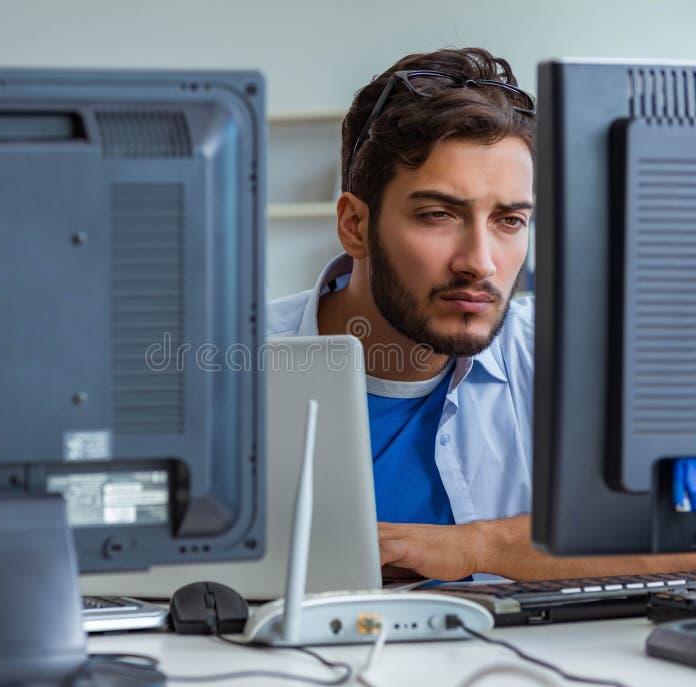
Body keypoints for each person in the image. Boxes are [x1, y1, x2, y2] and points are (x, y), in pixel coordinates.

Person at [267, 47, 696, 581]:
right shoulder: (236, 364)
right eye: (438, 215)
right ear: (355, 225)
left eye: (509, 220)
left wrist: (480, 548)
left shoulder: (572, 354)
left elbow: (686, 529)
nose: (481, 263)